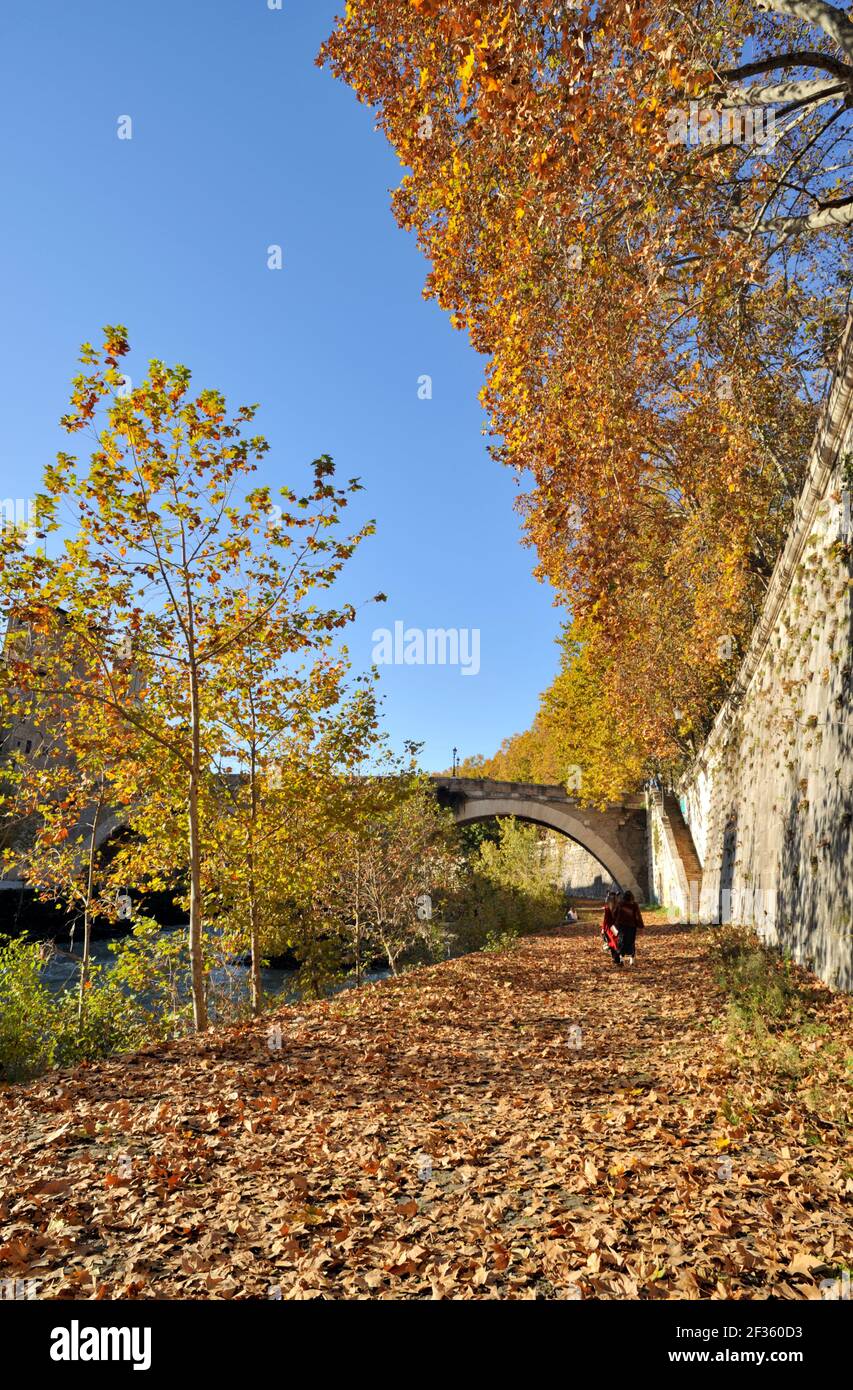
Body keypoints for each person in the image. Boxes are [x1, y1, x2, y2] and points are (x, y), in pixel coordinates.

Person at [614, 889, 644, 966]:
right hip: (631, 926)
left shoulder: (620, 904)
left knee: (622, 941)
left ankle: (621, 959)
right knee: (631, 942)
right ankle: (632, 959)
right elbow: (638, 916)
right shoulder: (634, 905)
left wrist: (614, 923)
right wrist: (641, 926)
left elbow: (614, 914)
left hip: (621, 926)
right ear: (632, 897)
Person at [601, 889, 621, 965]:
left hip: (610, 928)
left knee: (613, 942)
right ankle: (616, 958)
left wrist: (603, 929)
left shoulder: (609, 908)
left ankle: (616, 958)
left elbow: (605, 920)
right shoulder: (617, 907)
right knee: (614, 942)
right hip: (614, 927)